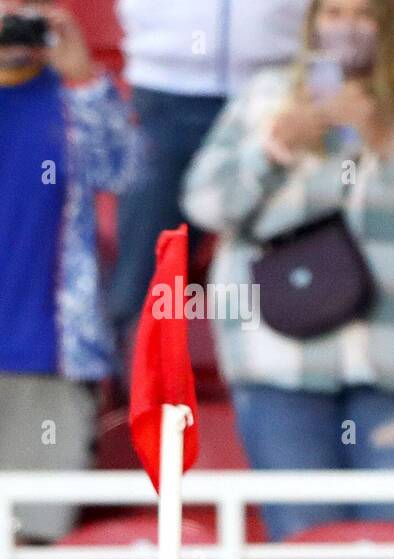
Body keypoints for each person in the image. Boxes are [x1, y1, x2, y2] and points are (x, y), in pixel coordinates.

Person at [181, 0, 394, 540]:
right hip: (283, 362)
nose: (346, 28)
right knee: (305, 556)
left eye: (363, 15)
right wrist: (276, 147)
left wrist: (386, 140)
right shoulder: (265, 98)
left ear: (387, 27)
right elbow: (205, 203)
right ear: (310, 24)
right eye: (332, 13)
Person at [0, 0, 133, 543]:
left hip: (50, 359)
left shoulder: (72, 98)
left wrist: (82, 73)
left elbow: (125, 170)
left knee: (28, 548)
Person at [109, 0, 309, 357]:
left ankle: (285, 384)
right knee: (148, 262)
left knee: (288, 253)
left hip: (276, 90)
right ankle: (136, 391)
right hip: (164, 87)